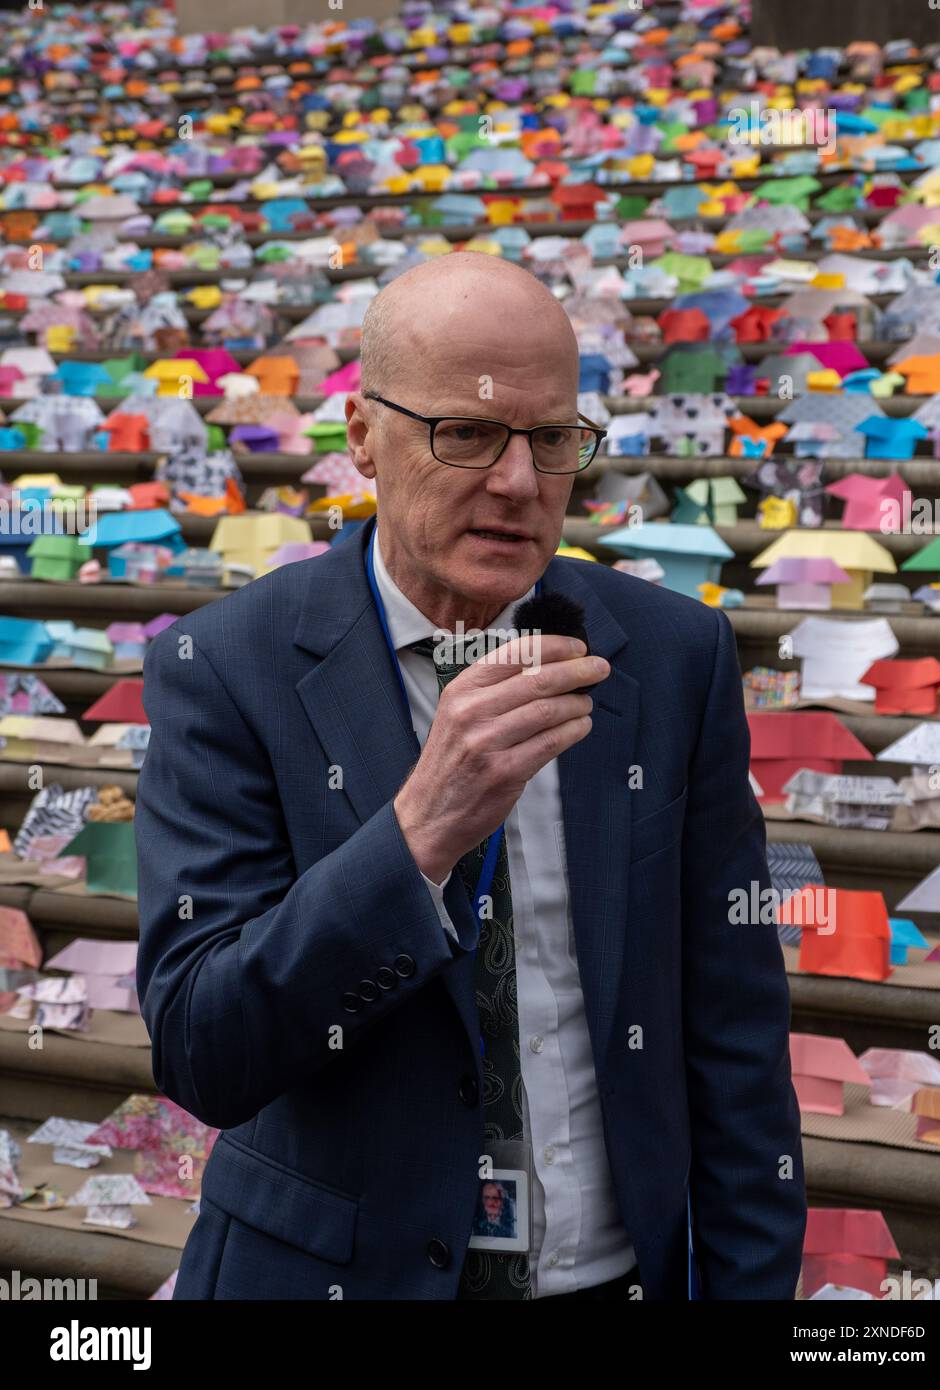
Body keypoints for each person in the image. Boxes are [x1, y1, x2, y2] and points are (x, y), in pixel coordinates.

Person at [136, 251, 805, 1301]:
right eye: (468, 433)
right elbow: (203, 1049)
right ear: (363, 437)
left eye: (550, 440)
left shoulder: (677, 657)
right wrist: (416, 837)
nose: (517, 482)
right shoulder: (224, 666)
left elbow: (736, 1029)